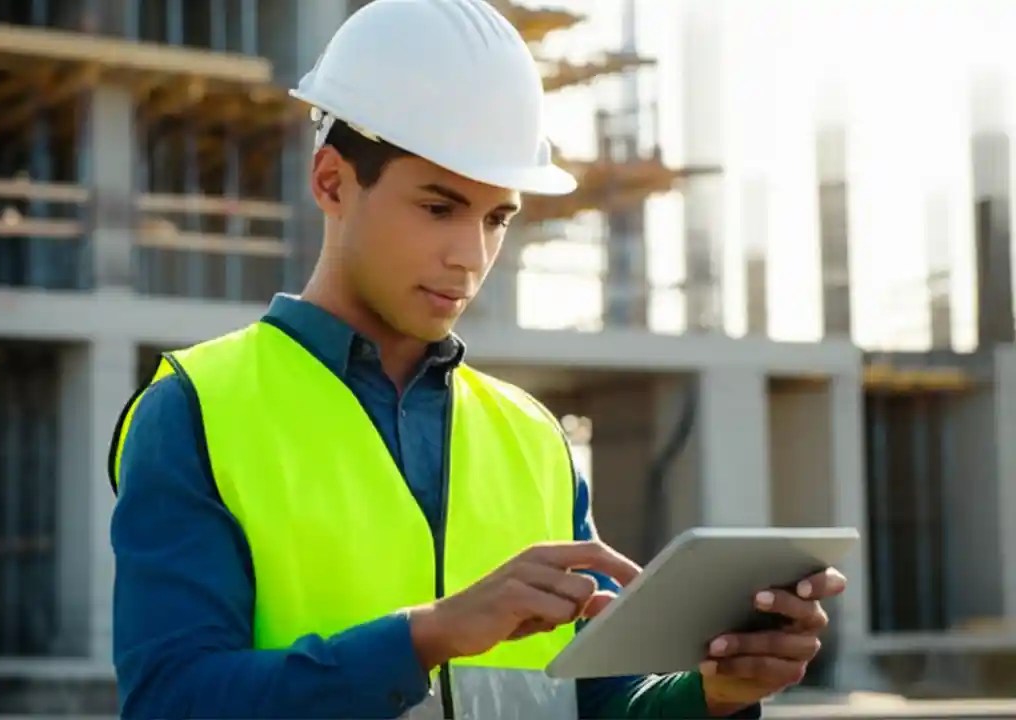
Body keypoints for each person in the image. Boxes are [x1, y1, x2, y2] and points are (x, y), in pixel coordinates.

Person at [108, 0, 847, 717]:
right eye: (439, 207)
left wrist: (711, 698)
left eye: (497, 217)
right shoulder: (199, 409)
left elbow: (592, 703)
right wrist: (428, 635)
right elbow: (172, 699)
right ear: (332, 181)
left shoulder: (533, 439)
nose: (470, 256)